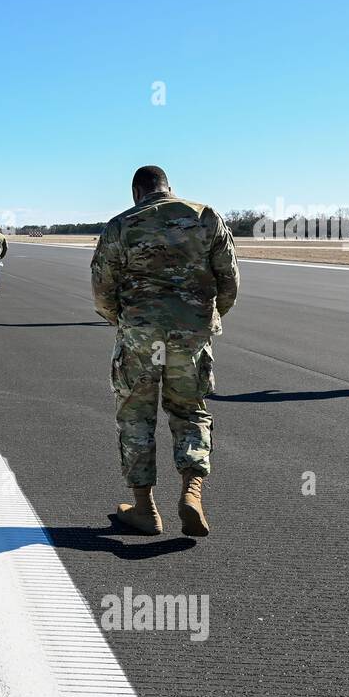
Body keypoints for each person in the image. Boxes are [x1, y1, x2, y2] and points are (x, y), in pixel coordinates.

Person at [90, 165, 239, 537]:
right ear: (169, 187)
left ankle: (144, 509)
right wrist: (204, 320)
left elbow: (102, 287)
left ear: (137, 192)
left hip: (141, 336)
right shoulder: (205, 217)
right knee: (189, 412)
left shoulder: (122, 224)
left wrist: (123, 322)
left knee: (136, 417)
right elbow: (230, 281)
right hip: (190, 336)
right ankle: (192, 493)